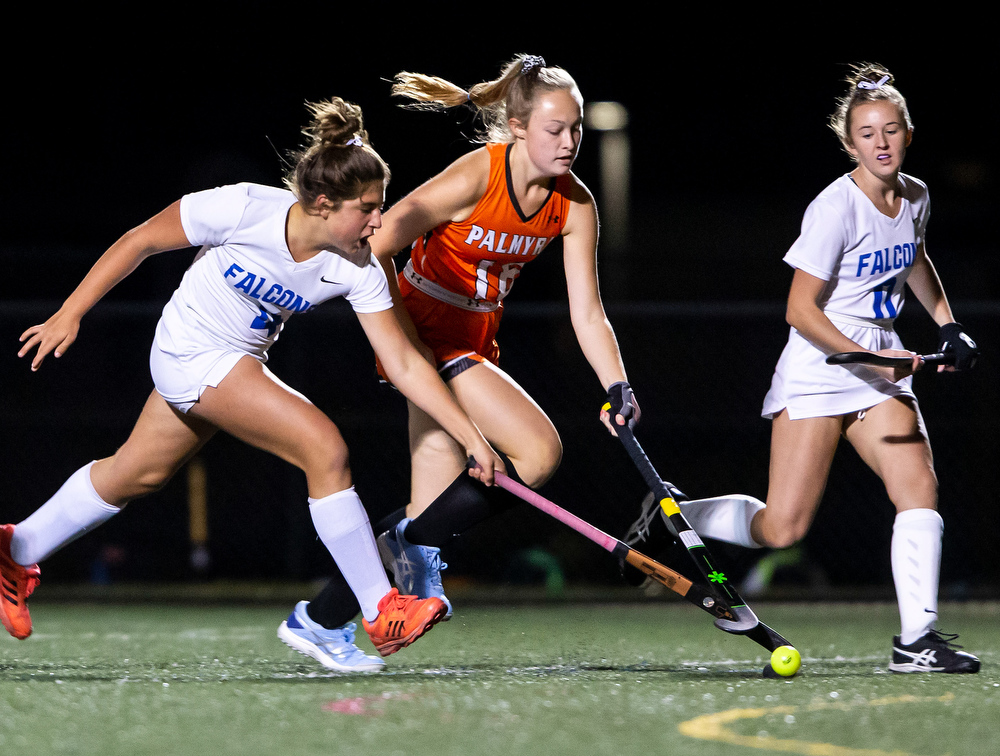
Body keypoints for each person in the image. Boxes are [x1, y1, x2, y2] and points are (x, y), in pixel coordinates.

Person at [1, 97, 504, 672]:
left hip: (235, 362)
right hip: (189, 350)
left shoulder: (361, 265)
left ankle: (16, 548)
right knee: (324, 447)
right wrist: (70, 313)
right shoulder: (243, 207)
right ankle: (380, 609)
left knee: (135, 473)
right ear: (322, 204)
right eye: (367, 209)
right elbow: (141, 239)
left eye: (380, 207)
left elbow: (407, 364)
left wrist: (472, 437)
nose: (378, 223)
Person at [627, 63, 980, 674]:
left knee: (918, 489)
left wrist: (948, 324)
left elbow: (916, 258)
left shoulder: (916, 195)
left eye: (891, 130)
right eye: (867, 133)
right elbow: (799, 310)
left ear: (908, 134)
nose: (881, 143)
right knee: (783, 528)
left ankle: (916, 642)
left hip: (879, 361)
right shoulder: (834, 208)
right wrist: (872, 357)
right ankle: (675, 515)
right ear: (849, 143)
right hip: (822, 363)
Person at [285, 54, 640, 646]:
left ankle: (318, 621)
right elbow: (380, 241)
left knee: (431, 513)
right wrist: (405, 338)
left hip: (474, 340)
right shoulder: (479, 175)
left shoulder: (575, 205)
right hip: (426, 330)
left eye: (576, 128)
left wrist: (617, 384)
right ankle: (411, 546)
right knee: (538, 452)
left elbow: (588, 312)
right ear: (518, 127)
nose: (569, 142)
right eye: (555, 129)